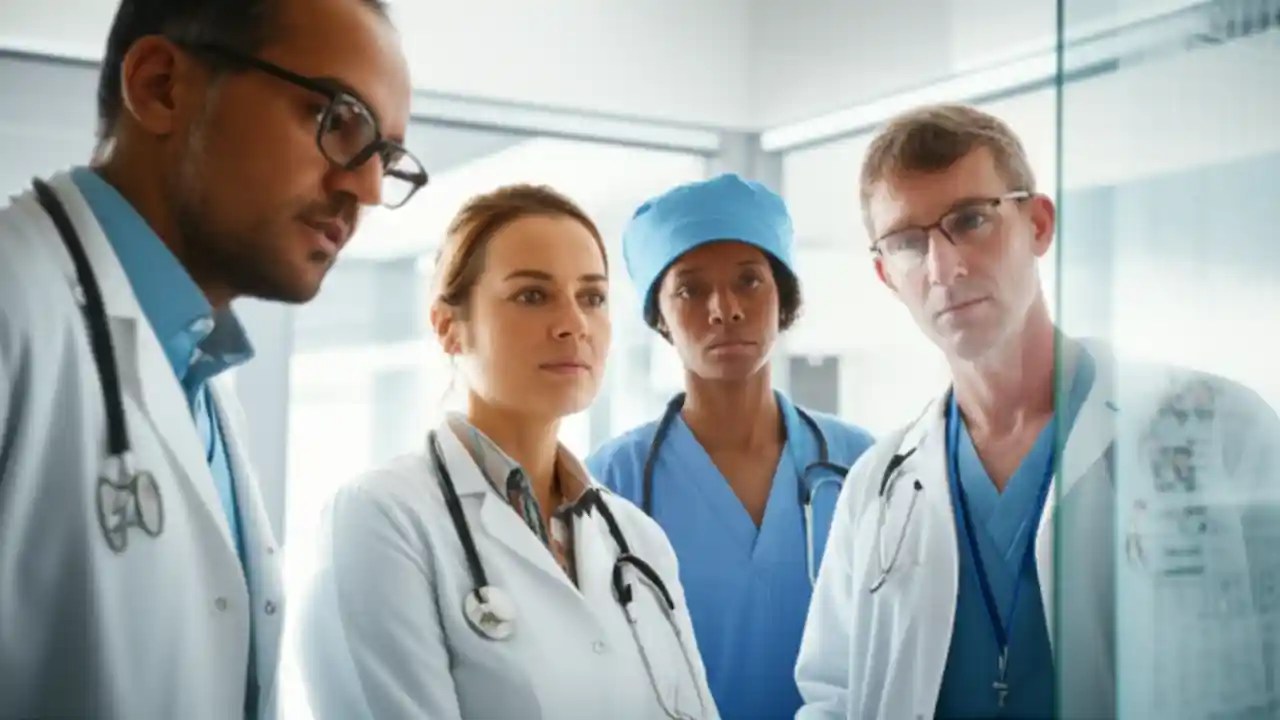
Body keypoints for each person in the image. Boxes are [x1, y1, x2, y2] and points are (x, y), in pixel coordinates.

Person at [0, 0, 422, 716]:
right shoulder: (16, 305)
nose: (369, 190)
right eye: (338, 120)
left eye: (384, 155)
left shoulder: (198, 373)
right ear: (162, 86)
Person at [794, 103, 1280, 719]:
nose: (946, 267)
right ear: (886, 273)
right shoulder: (876, 484)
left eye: (970, 221)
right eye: (909, 243)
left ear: (1039, 224)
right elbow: (833, 695)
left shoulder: (1218, 429)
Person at [291, 185, 719, 720]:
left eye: (592, 297)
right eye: (532, 295)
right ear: (449, 327)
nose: (573, 324)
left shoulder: (637, 540)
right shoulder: (382, 518)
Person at [587, 173, 874, 719]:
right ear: (660, 316)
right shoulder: (610, 481)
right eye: (690, 290)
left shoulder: (859, 463)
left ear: (783, 299)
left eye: (749, 281)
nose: (724, 308)